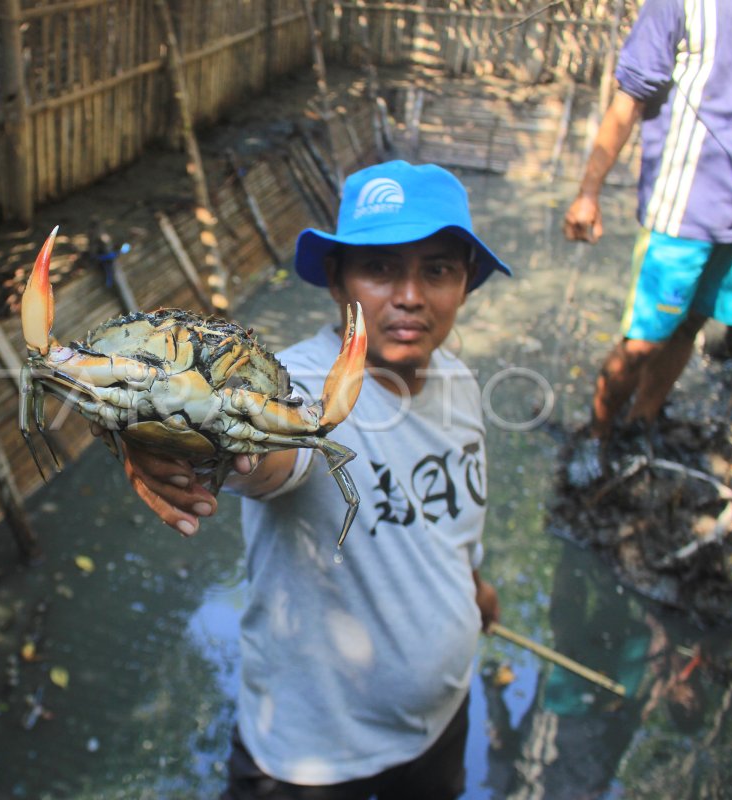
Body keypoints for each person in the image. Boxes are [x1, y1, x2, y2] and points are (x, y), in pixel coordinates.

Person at [114, 160, 512, 799]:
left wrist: (472, 590)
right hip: (314, 761)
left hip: (440, 724)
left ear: (466, 282)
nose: (409, 295)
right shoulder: (304, 388)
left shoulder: (460, 383)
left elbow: (450, 525)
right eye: (380, 268)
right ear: (337, 280)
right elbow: (266, 444)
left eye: (437, 269)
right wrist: (183, 439)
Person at [563, 0, 732, 485]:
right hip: (682, 214)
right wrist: (588, 193)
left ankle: (641, 422)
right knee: (644, 340)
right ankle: (596, 435)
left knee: (691, 324)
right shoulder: (680, 4)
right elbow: (628, 100)